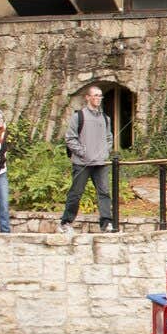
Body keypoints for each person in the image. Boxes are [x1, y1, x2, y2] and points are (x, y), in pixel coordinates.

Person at [61, 84, 115, 233]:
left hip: (100, 163)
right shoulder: (79, 116)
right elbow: (70, 138)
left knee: (104, 193)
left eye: (100, 95)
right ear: (88, 97)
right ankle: (66, 223)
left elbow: (109, 138)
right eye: (95, 95)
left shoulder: (105, 118)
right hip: (82, 163)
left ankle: (106, 224)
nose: (98, 98)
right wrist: (83, 153)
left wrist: (105, 152)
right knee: (76, 193)